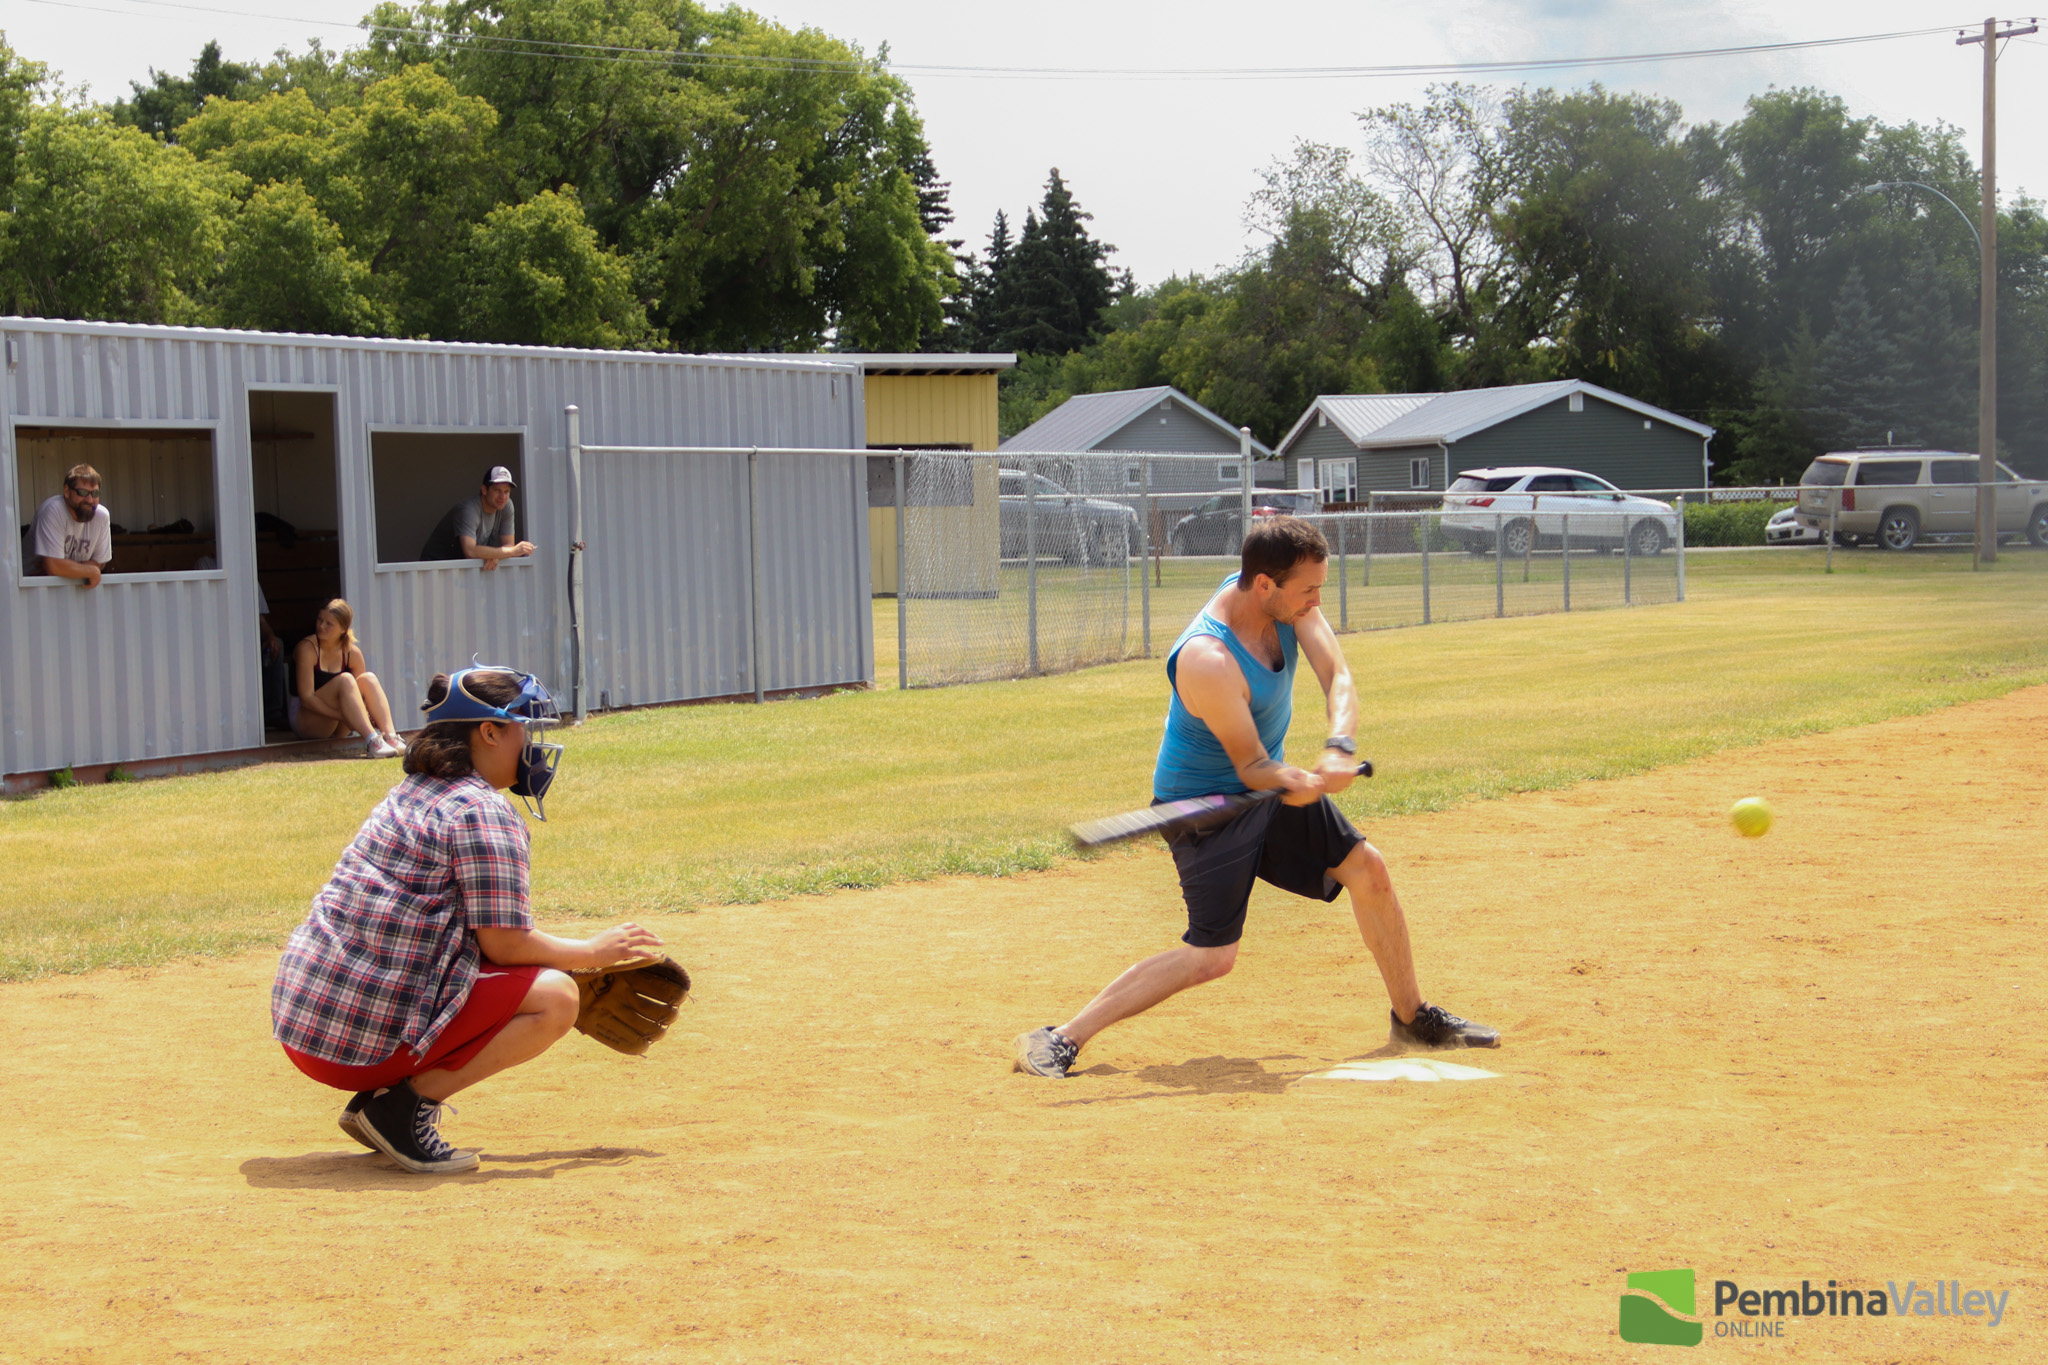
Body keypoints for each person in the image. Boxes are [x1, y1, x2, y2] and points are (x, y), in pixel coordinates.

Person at [1014, 518, 1500, 1079]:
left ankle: (1412, 1015)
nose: (1317, 601)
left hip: (1268, 785)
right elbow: (1251, 765)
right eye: (1309, 590)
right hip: (1206, 808)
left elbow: (1338, 676)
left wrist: (1339, 747)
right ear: (1265, 584)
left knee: (1369, 869)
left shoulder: (1290, 606)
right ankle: (1061, 1037)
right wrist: (1296, 782)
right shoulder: (1207, 658)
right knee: (1212, 957)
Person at [272, 664, 662, 1174]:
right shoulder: (482, 811)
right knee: (556, 999)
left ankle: (383, 1100)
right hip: (353, 1049)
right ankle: (400, 1109)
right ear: (489, 731)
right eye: (525, 726)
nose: (533, 742)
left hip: (306, 1027)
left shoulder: (414, 790)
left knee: (536, 978)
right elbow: (504, 944)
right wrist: (590, 954)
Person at [291, 598, 404, 758]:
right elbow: (307, 699)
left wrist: (356, 716)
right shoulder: (307, 648)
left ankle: (391, 737)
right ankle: (373, 741)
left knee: (368, 678)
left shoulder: (353, 652)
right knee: (346, 679)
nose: (321, 626)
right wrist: (344, 716)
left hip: (341, 721)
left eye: (328, 624)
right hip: (307, 720)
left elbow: (361, 697)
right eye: (320, 620)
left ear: (343, 629)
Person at [419, 465, 535, 569]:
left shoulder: (506, 505)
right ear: (484, 490)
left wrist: (497, 555)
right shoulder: (468, 510)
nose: (502, 496)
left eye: (506, 491)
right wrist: (510, 552)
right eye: (497, 490)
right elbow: (470, 551)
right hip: (434, 569)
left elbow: (508, 545)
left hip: (460, 569)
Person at [27, 463, 112, 587]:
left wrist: (67, 568)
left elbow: (99, 562)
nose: (89, 500)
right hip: (30, 589)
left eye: (95, 494)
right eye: (82, 492)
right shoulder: (53, 510)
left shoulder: (101, 515)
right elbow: (54, 566)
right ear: (67, 491)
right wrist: (90, 570)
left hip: (69, 589)